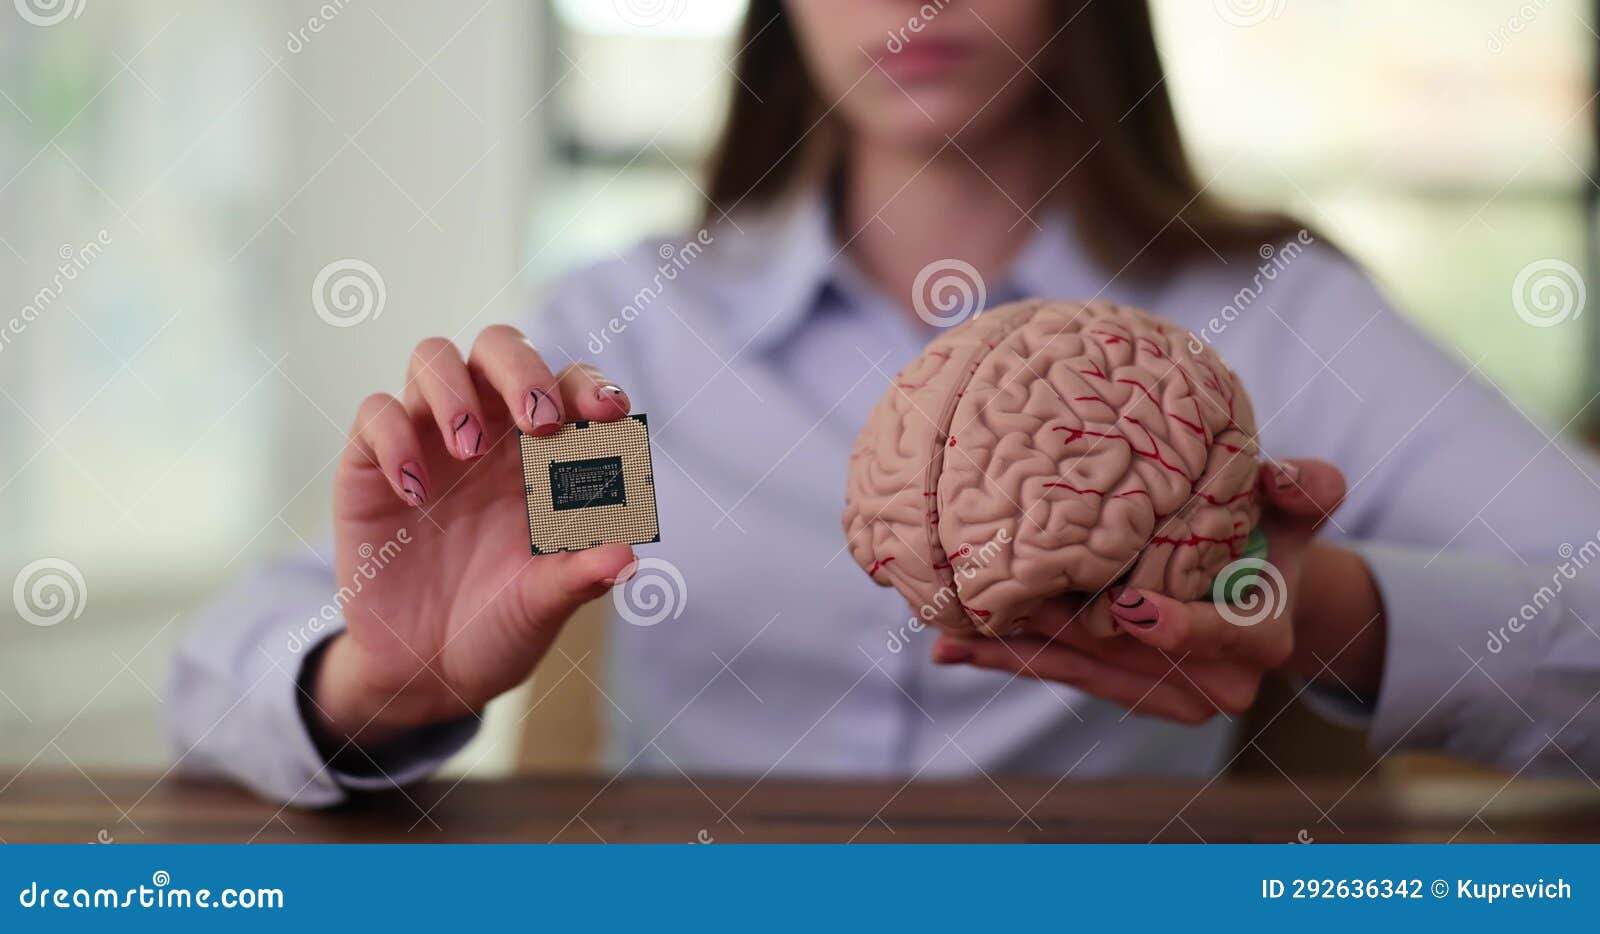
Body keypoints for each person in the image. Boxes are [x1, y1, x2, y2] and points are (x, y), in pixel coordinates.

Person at [169, 0, 1600, 807]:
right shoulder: (646, 349)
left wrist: (1324, 606)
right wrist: (375, 681)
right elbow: (216, 671)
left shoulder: (1272, 321)